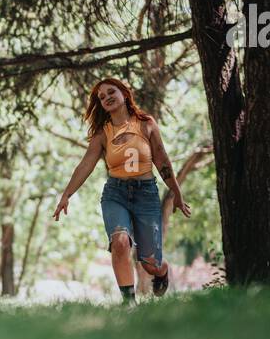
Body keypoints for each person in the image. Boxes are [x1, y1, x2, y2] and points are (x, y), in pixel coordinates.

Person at [52, 77, 191, 304]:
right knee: (120, 242)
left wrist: (176, 192)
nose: (106, 97)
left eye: (110, 92)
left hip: (146, 194)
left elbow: (161, 159)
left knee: (149, 263)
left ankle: (162, 270)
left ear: (124, 93)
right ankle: (129, 304)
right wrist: (67, 194)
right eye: (101, 97)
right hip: (115, 194)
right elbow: (85, 164)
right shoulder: (102, 133)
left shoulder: (146, 123)